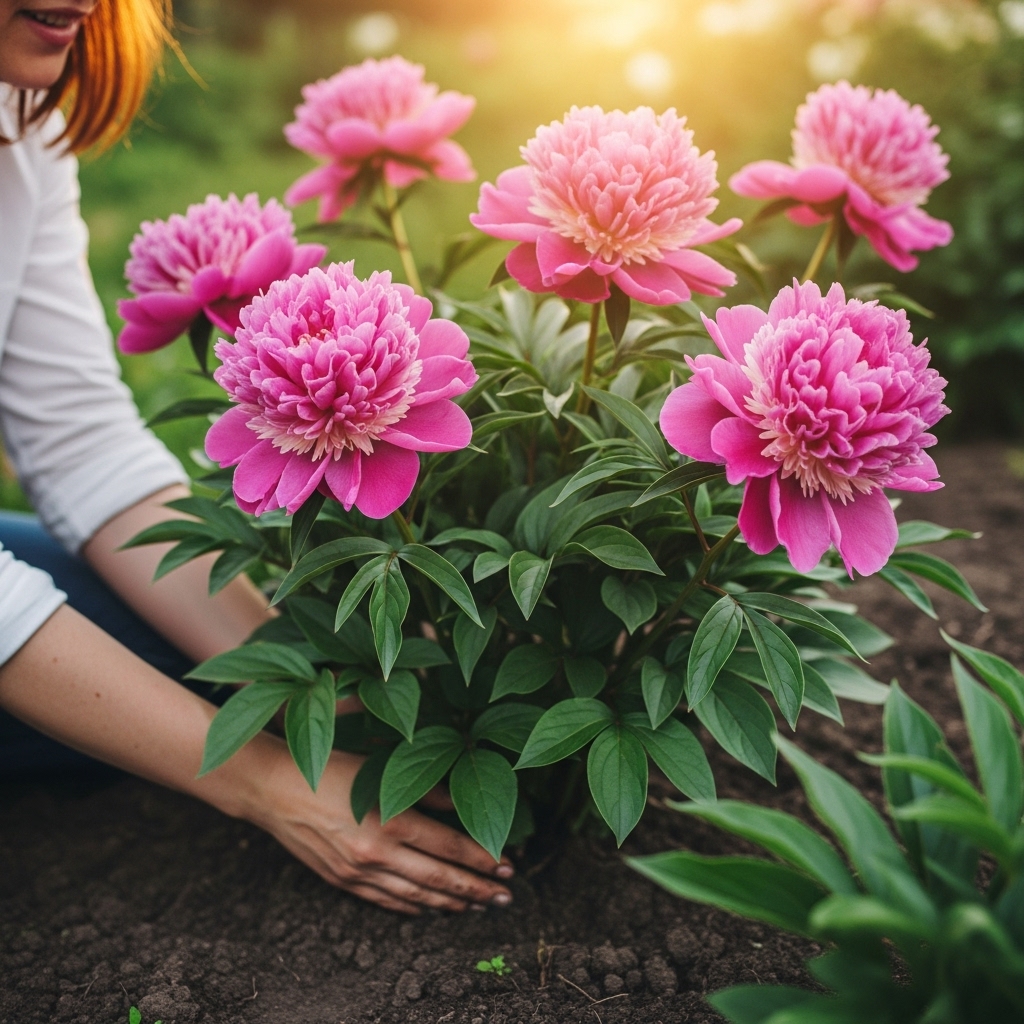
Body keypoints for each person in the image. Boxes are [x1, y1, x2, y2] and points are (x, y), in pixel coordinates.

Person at [0, 0, 513, 916]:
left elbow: (76, 439)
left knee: (190, 664)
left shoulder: (21, 121)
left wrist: (324, 688)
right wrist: (271, 785)